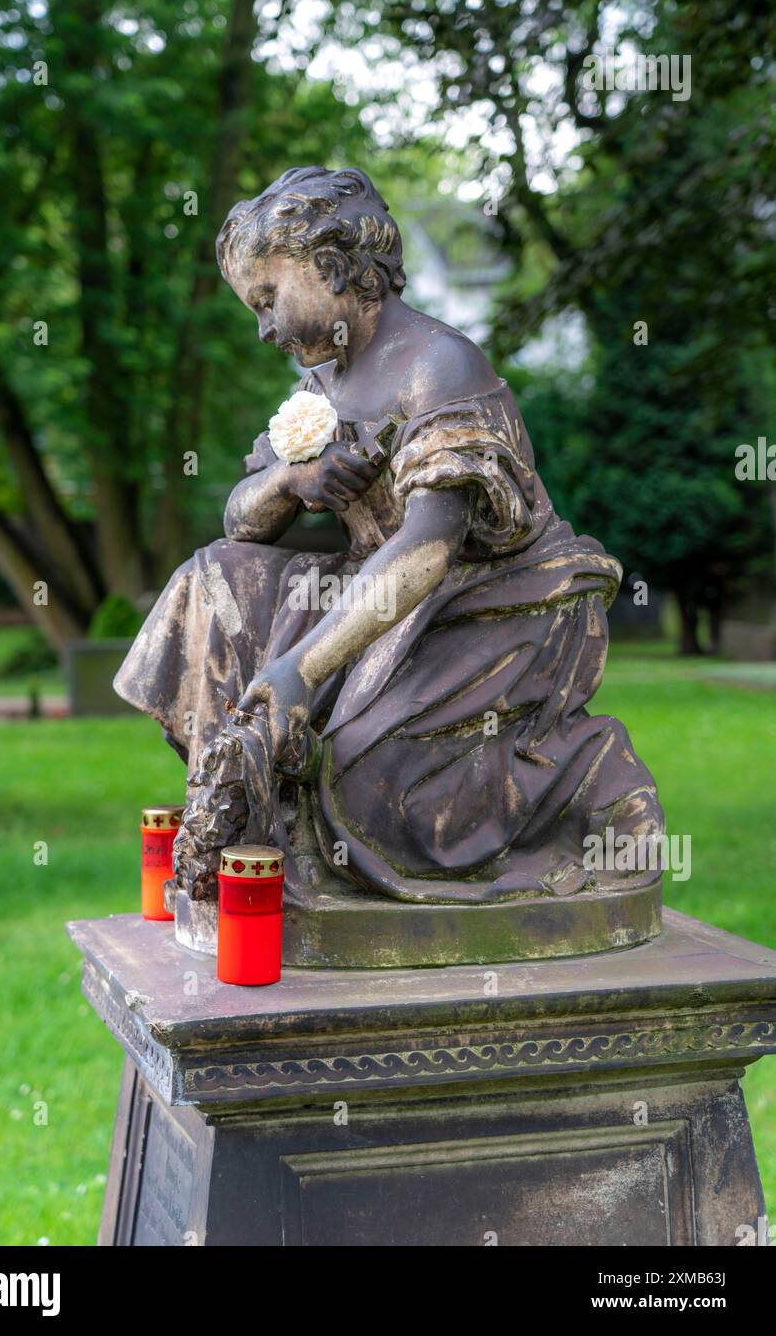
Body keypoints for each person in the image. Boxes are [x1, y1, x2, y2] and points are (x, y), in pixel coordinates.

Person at [114, 166, 663, 905]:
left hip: (495, 604)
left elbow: (430, 547)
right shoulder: (319, 386)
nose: (264, 327)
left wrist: (302, 670)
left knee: (366, 794)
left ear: (334, 269)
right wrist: (290, 482)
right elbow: (240, 521)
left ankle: (579, 769)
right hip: (373, 588)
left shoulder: (438, 364)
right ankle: (243, 804)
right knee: (213, 573)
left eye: (268, 299)